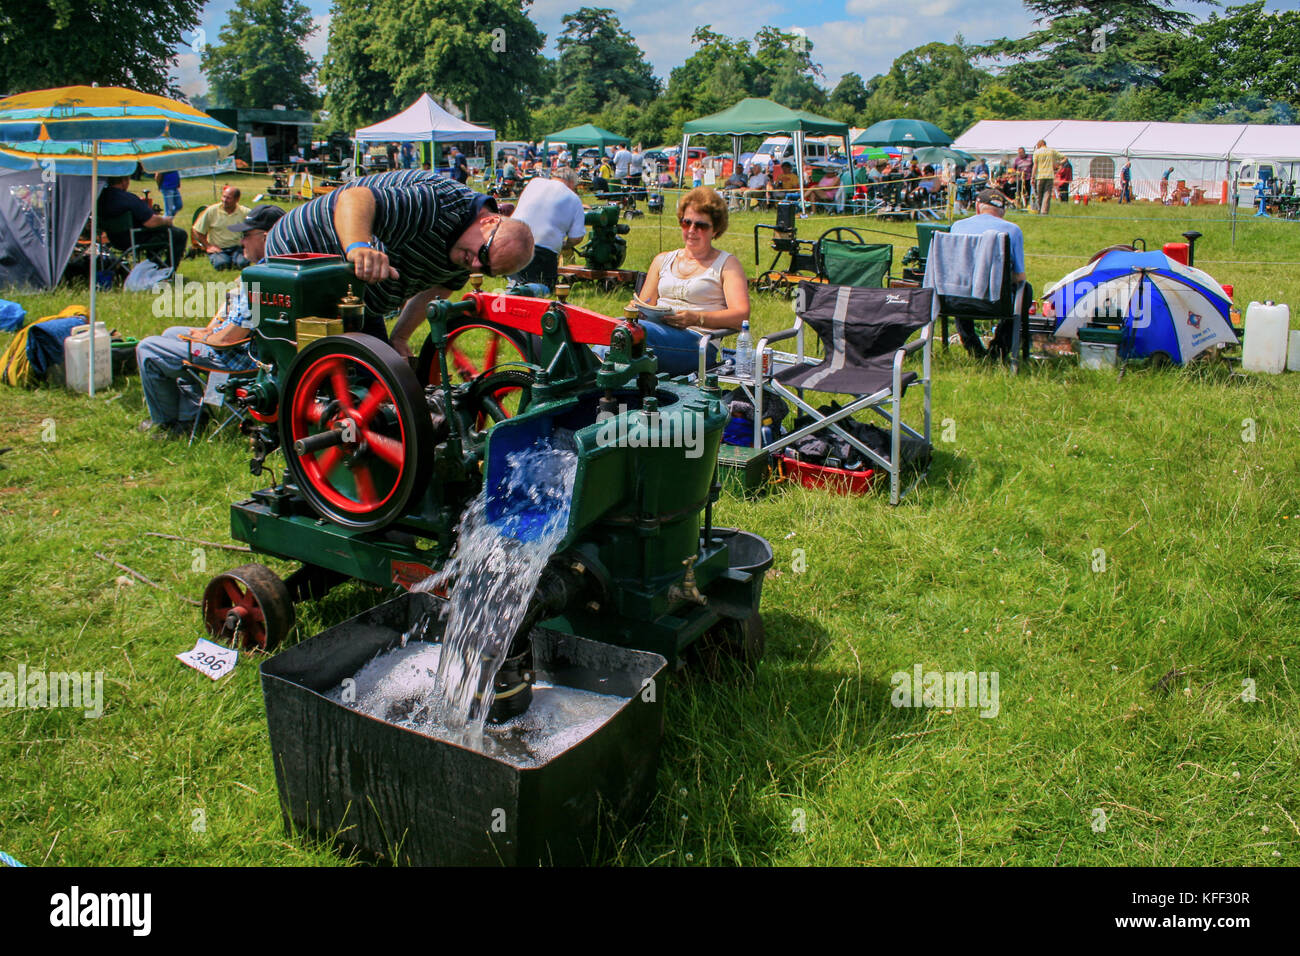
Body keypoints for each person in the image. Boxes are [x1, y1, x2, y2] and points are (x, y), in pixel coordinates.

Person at [265, 169, 534, 359]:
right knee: (301, 359)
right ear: (489, 221)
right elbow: (354, 199)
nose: (475, 265)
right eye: (483, 254)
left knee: (377, 381)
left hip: (360, 299)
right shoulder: (436, 205)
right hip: (300, 251)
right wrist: (358, 247)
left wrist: (401, 337)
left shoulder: (466, 252)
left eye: (486, 269)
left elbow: (437, 290)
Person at [135, 204, 286, 438]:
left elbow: (230, 338)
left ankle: (168, 424)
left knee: (148, 348)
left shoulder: (261, 277)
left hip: (235, 358)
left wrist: (203, 336)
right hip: (248, 352)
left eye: (246, 235)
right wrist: (205, 333)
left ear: (266, 236)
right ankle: (191, 415)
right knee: (170, 333)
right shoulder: (277, 269)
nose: (241, 242)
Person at [627, 186, 750, 375]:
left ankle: (605, 384)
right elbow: (646, 303)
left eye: (700, 225)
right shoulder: (662, 260)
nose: (692, 230)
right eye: (687, 223)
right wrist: (636, 308)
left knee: (632, 337)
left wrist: (697, 318)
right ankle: (599, 394)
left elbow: (741, 316)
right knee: (614, 331)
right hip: (654, 331)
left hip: (697, 342)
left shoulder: (727, 264)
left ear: (715, 229)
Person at [948, 188, 1027, 360]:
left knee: (964, 284)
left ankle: (973, 346)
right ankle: (998, 350)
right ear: (1003, 211)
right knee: (1025, 290)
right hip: (996, 302)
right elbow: (1019, 277)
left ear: (977, 206)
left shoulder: (957, 226)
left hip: (956, 300)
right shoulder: (1012, 230)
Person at [508, 167, 585, 290]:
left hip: (510, 243)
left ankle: (513, 286)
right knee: (546, 288)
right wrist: (565, 244)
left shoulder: (534, 182)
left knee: (516, 279)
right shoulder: (574, 199)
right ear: (572, 183)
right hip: (542, 252)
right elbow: (577, 237)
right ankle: (524, 291)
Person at [97, 175, 187, 268]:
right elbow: (151, 222)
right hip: (134, 239)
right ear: (124, 181)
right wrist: (166, 221)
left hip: (113, 240)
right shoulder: (128, 198)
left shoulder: (100, 198)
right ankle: (167, 270)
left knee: (156, 234)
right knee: (179, 234)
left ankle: (154, 266)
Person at [192, 185, 251, 270]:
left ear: (237, 200)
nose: (224, 200)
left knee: (243, 264)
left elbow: (256, 229)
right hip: (218, 249)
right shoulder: (211, 211)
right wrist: (208, 246)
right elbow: (196, 230)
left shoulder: (245, 212)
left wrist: (247, 245)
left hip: (237, 248)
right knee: (222, 265)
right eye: (223, 196)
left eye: (228, 198)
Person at [1032, 139, 1065, 214]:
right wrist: (1058, 163)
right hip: (1049, 176)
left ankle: (1039, 210)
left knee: (1039, 194)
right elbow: (1064, 158)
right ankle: (1044, 212)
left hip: (1039, 176)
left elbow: (1035, 165)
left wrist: (1032, 177)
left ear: (1039, 145)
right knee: (1047, 194)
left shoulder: (1036, 152)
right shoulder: (1051, 151)